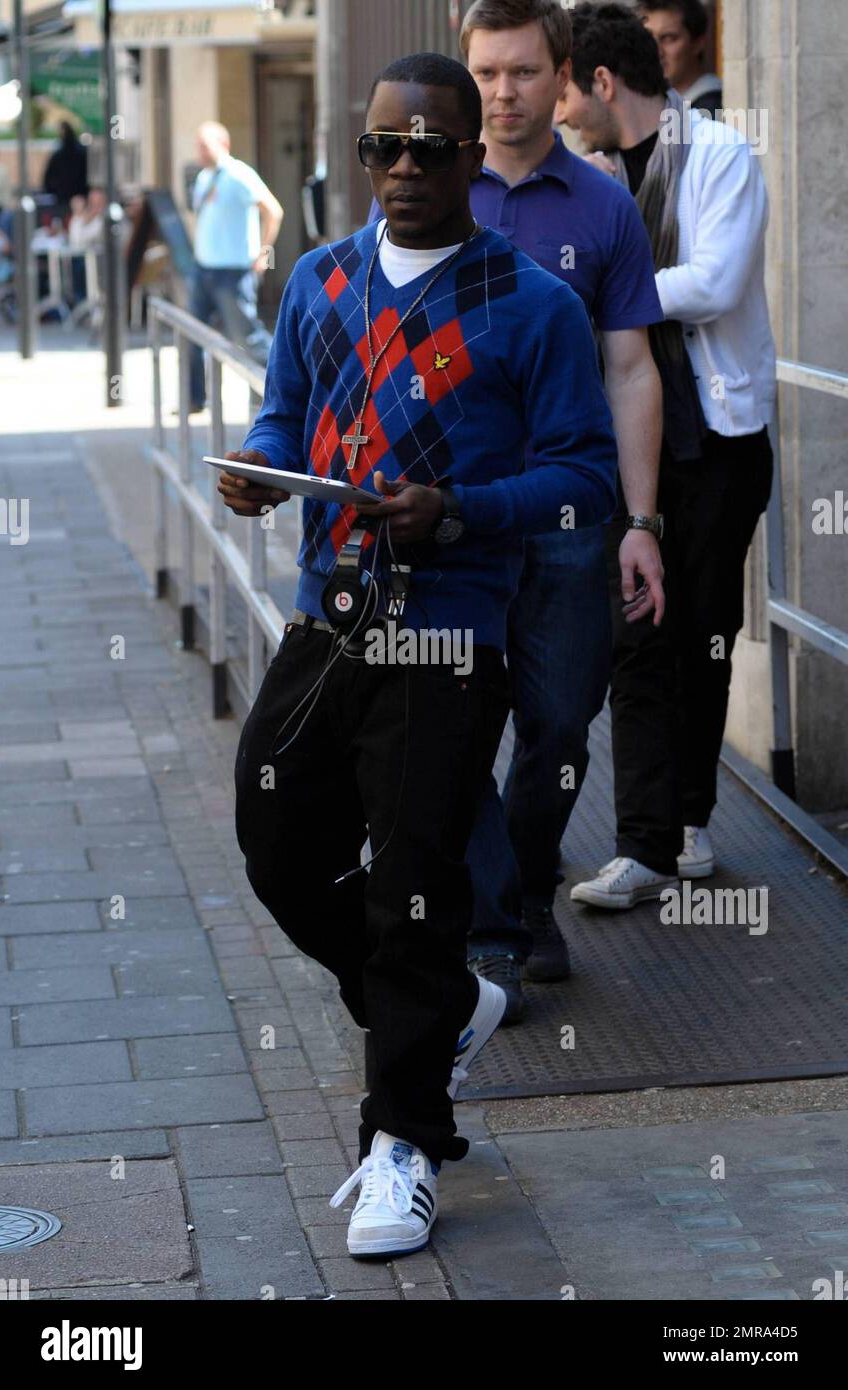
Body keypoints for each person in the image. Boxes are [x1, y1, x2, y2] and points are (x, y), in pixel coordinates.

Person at [219, 52, 617, 1259]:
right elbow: (287, 412)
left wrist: (455, 509)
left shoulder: (531, 303)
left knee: (409, 888)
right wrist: (254, 461)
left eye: (428, 148)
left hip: (448, 631)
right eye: (381, 148)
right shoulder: (320, 280)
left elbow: (583, 480)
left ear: (467, 154)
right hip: (324, 618)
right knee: (276, 838)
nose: (401, 168)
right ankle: (445, 1005)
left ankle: (403, 1143)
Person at [365, 1, 665, 1023]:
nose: (502, 92)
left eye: (523, 72)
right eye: (485, 72)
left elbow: (630, 369)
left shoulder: (601, 207)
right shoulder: (419, 188)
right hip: (450, 526)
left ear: (562, 74)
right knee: (448, 724)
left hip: (570, 521)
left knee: (559, 722)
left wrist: (640, 521)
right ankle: (500, 917)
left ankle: (526, 882)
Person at [558, 3, 775, 908]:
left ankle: (688, 821)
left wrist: (607, 290)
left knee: (703, 634)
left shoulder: (719, 155)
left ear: (603, 83)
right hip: (629, 438)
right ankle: (642, 843)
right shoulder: (585, 176)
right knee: (638, 636)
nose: (560, 112)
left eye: (566, 91)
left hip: (717, 441)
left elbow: (717, 282)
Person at [186, 122, 283, 414]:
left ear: (223, 144)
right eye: (198, 146)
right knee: (193, 337)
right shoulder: (204, 178)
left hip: (233, 272)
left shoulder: (239, 174)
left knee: (247, 338)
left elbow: (273, 211)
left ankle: (280, 389)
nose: (200, 152)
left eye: (206, 146)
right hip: (204, 268)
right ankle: (195, 398)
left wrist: (264, 253)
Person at [638, 0, 723, 116]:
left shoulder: (712, 108)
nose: (656, 51)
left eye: (668, 38)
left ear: (698, 43)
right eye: (647, 38)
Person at [42, 121, 88, 209]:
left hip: (63, 197)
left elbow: (48, 177)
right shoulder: (81, 151)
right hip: (78, 196)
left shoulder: (59, 153)